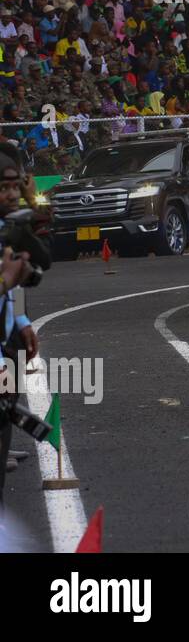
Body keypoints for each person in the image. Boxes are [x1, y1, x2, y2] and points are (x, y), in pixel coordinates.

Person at [0, 152, 38, 493]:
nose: (12, 194)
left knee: (7, 394)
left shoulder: (9, 228)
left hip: (4, 336)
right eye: (5, 187)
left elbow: (41, 263)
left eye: (16, 187)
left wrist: (22, 321)